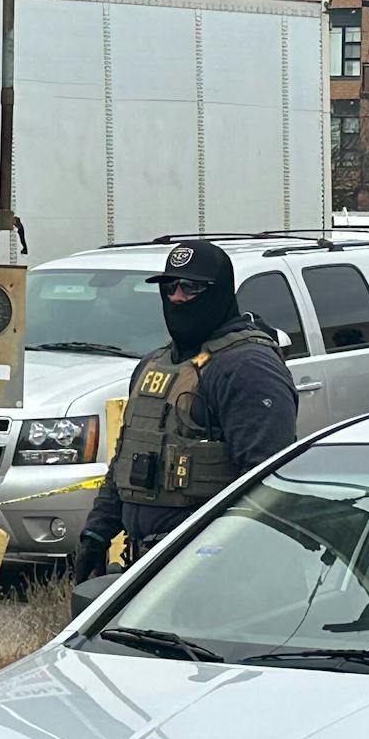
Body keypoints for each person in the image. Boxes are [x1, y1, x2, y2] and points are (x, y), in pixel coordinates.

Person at [73, 239, 299, 580]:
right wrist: (97, 531)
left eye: (191, 288)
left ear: (218, 292)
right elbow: (126, 460)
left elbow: (265, 484)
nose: (177, 297)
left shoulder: (247, 366)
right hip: (147, 564)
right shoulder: (155, 364)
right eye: (169, 287)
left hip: (211, 568)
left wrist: (224, 561)